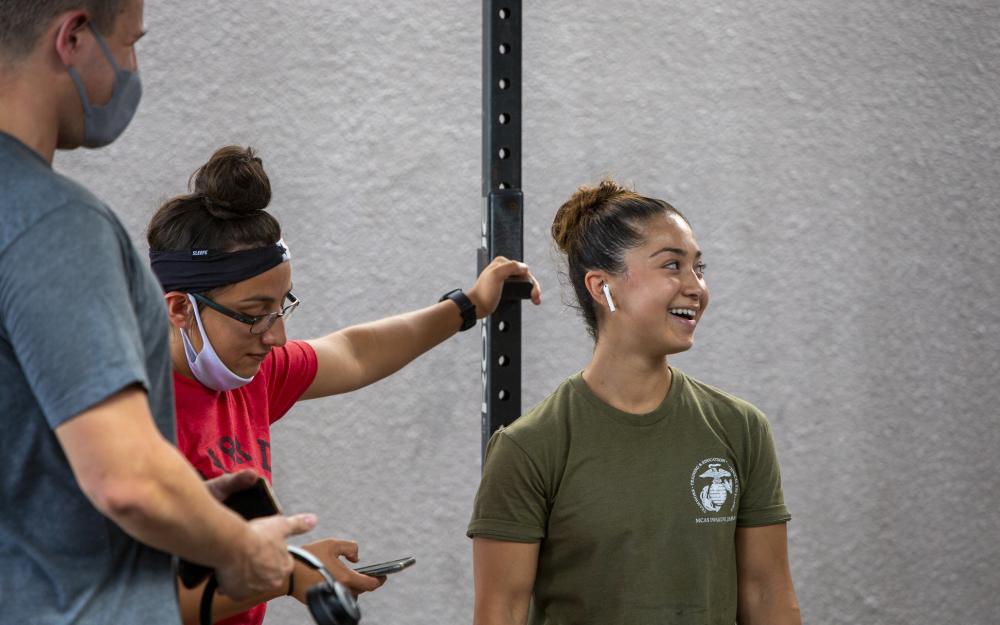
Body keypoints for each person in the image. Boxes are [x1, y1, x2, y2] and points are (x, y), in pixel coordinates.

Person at [0, 3, 317, 625]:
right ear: (73, 35)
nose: (133, 68)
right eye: (129, 44)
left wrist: (190, 505)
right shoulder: (53, 225)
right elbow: (128, 484)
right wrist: (240, 548)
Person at [145, 145, 543, 625]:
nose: (276, 337)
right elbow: (134, 600)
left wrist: (468, 306)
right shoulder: (129, 416)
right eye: (254, 316)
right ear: (180, 309)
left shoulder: (248, 377)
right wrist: (290, 573)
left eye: (281, 308)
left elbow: (355, 352)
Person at [468, 180, 801, 625]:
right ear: (602, 286)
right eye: (672, 266)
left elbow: (768, 597)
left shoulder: (740, 429)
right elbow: (500, 614)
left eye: (698, 268)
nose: (695, 287)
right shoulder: (530, 448)